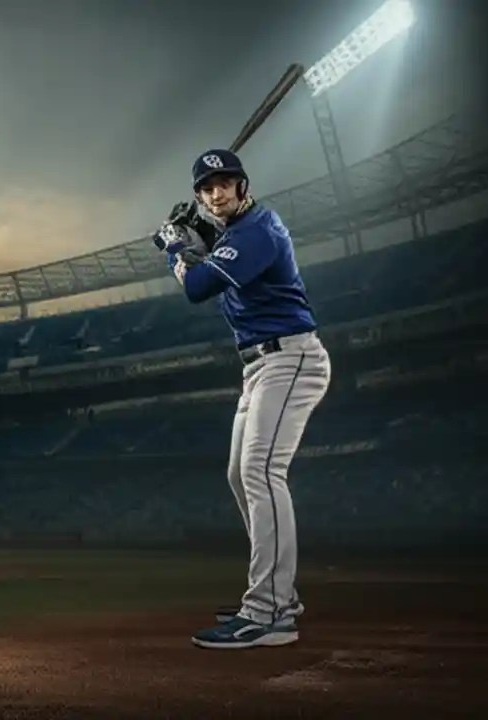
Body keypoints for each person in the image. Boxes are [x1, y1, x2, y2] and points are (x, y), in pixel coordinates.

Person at [156, 149, 331, 649]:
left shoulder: (260, 228)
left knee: (261, 472)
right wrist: (187, 234)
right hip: (258, 366)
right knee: (240, 474)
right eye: (207, 188)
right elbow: (214, 247)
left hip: (290, 358)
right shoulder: (236, 233)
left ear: (242, 185)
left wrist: (173, 247)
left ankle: (270, 611)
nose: (217, 192)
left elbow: (200, 285)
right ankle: (277, 595)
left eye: (225, 182)